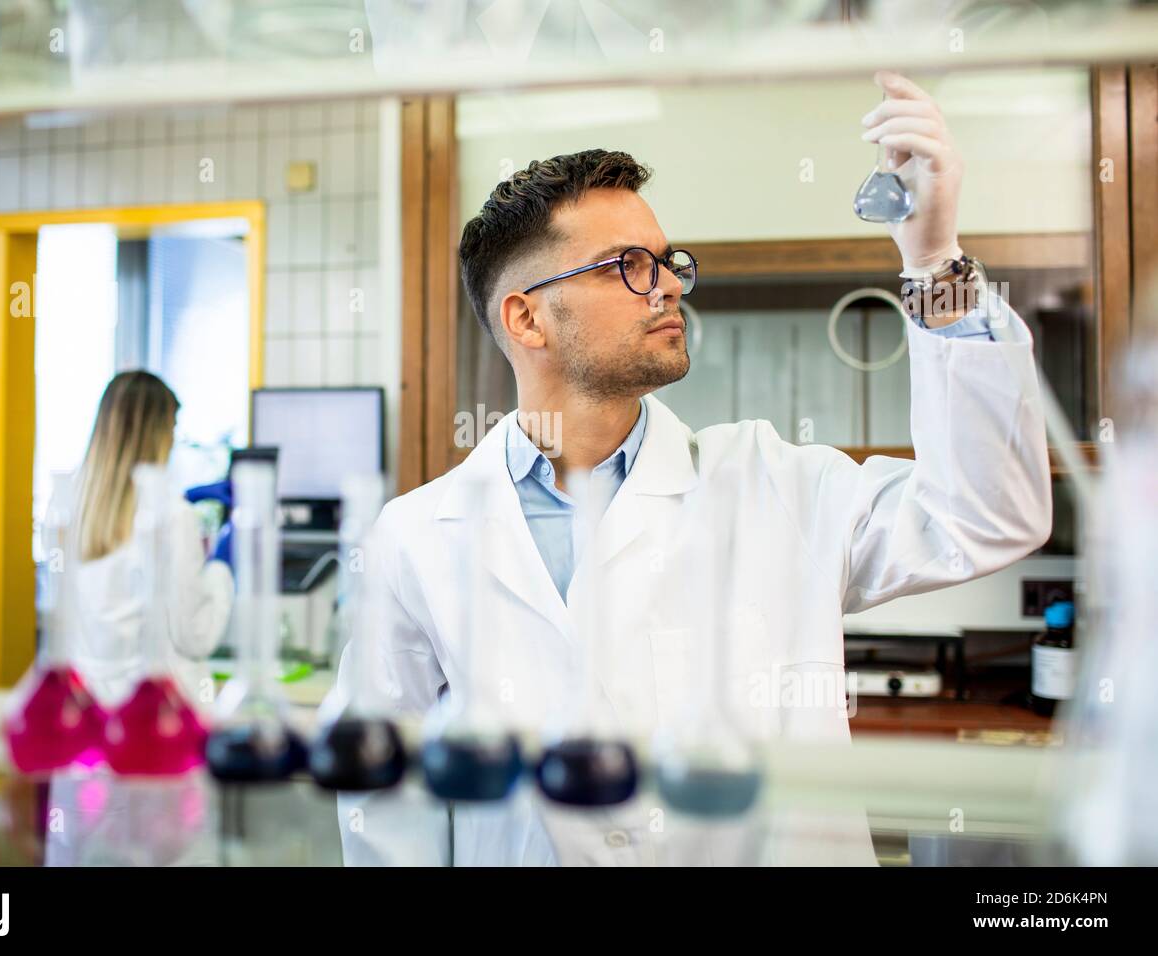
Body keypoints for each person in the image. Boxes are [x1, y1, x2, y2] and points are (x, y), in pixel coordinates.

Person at [330, 71, 1052, 865]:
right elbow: (380, 793)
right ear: (526, 316)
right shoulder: (418, 537)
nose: (669, 284)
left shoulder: (777, 487)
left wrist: (936, 260)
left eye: (667, 259)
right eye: (626, 265)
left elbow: (989, 514)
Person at [71, 370, 234, 707]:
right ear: (155, 434)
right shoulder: (173, 516)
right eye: (171, 429)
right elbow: (195, 635)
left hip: (93, 711)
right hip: (157, 717)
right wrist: (223, 563)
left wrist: (185, 499)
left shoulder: (74, 504)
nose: (174, 441)